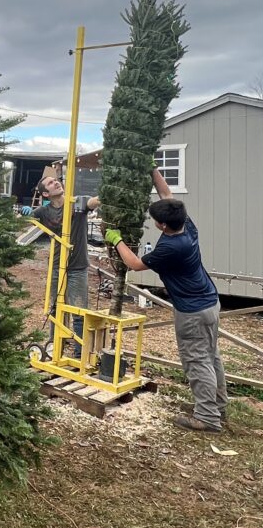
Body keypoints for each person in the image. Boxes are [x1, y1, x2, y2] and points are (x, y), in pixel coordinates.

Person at [104, 164, 228, 433]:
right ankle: (216, 407)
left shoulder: (172, 247)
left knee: (197, 360)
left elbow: (135, 264)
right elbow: (166, 193)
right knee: (211, 356)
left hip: (193, 311)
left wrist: (116, 240)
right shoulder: (186, 225)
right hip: (209, 301)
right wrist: (151, 171)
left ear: (162, 225)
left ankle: (207, 418)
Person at [22, 174, 99, 355]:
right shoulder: (43, 212)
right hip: (56, 267)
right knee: (55, 310)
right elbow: (24, 227)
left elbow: (94, 202)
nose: (56, 182)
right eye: (50, 183)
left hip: (77, 267)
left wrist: (107, 194)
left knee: (78, 311)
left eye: (56, 180)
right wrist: (24, 214)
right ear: (46, 194)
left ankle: (81, 354)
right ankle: (54, 349)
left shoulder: (76, 203)